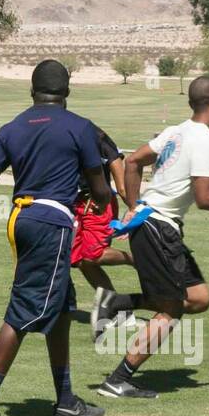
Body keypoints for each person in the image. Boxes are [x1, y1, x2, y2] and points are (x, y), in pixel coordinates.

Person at [0, 59, 111, 416]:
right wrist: (94, 192)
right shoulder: (80, 128)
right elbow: (103, 193)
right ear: (68, 92)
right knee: (24, 311)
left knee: (59, 310)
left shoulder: (11, 128)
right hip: (52, 224)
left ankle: (66, 403)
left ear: (31, 90)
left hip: (20, 220)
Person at [92, 75, 209, 399]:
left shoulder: (175, 132)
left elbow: (133, 160)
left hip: (154, 225)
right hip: (160, 228)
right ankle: (118, 379)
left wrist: (134, 205)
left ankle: (120, 302)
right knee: (171, 310)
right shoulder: (206, 140)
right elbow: (205, 198)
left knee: (198, 298)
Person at [72, 125, 137, 338]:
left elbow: (121, 184)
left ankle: (136, 259)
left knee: (93, 255)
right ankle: (120, 311)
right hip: (79, 205)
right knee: (82, 262)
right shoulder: (74, 140)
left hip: (100, 206)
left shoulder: (104, 144)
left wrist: (133, 209)